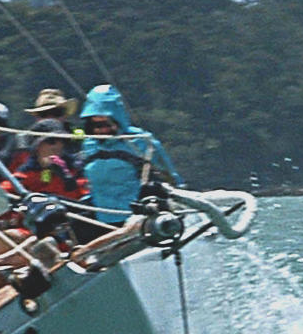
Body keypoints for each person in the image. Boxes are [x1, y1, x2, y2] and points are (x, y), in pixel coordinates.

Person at [75, 84, 182, 228]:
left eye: (106, 124)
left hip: (140, 217)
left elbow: (169, 175)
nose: (102, 130)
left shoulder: (141, 140)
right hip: (102, 217)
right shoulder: (89, 145)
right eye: (96, 125)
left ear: (117, 119)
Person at [10, 119, 86, 199]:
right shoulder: (23, 174)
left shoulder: (76, 170)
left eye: (63, 141)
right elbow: (4, 198)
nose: (57, 146)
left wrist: (68, 179)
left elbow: (83, 198)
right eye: (51, 141)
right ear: (37, 146)